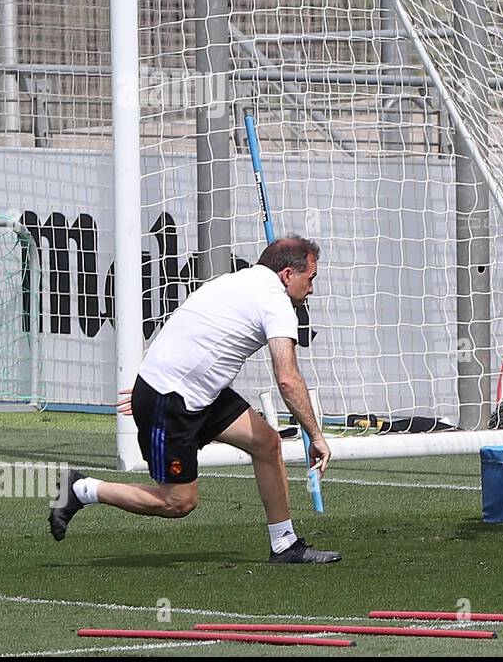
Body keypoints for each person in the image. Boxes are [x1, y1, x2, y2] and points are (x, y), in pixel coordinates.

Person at [48, 235, 341, 564]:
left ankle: (284, 544)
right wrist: (317, 437)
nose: (311, 289)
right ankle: (81, 489)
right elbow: (287, 379)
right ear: (287, 274)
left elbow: (189, 331)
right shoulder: (276, 301)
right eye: (311, 278)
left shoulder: (237, 280)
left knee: (266, 443)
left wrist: (151, 387)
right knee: (178, 502)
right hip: (172, 400)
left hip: (186, 392)